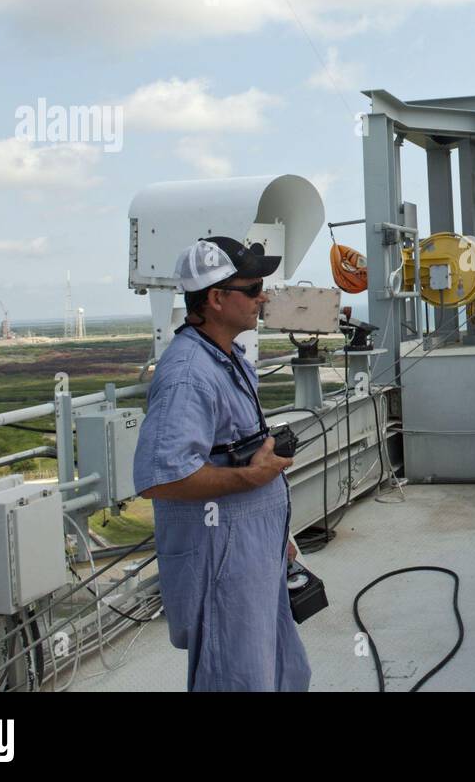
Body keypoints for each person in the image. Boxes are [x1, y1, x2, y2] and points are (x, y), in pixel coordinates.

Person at [133, 236, 312, 691]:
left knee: (282, 673)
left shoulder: (228, 358)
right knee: (237, 680)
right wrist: (254, 476)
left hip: (253, 551)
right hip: (223, 560)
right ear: (215, 299)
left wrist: (278, 536)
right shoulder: (188, 374)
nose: (264, 297)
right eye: (253, 288)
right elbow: (163, 477)